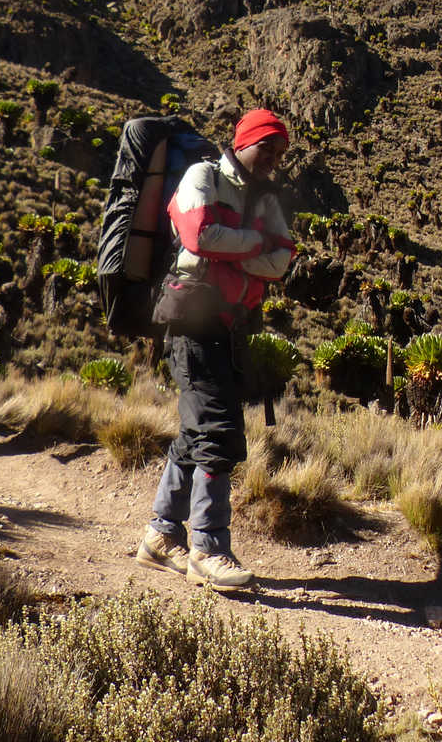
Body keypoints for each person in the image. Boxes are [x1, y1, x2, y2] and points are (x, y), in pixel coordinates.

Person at [136, 107, 294, 590]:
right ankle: (208, 547)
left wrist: (240, 249)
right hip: (189, 318)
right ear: (242, 141)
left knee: (197, 430)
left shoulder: (265, 197)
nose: (271, 156)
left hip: (228, 326)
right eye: (265, 145)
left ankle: (162, 536)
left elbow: (283, 259)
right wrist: (254, 245)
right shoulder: (201, 175)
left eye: (279, 150)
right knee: (219, 431)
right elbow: (199, 234)